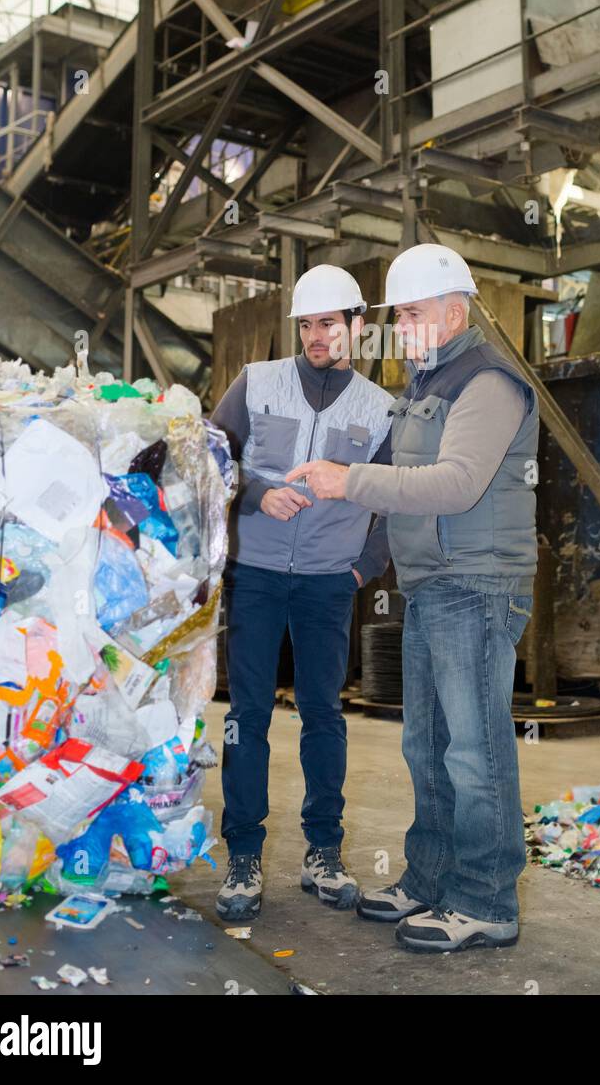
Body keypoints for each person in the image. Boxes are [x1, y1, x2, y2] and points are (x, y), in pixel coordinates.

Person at [286, 243, 538, 954]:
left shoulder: (487, 382)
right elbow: (387, 476)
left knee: (475, 750)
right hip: (431, 584)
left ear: (454, 311)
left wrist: (347, 482)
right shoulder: (426, 383)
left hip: (478, 583)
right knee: (426, 746)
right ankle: (431, 878)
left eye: (414, 312)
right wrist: (344, 560)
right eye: (397, 315)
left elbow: (454, 484)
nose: (402, 326)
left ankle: (486, 899)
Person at [211, 265, 394, 920]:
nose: (318, 337)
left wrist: (360, 569)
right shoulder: (257, 384)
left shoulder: (380, 409)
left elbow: (395, 500)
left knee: (324, 715)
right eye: (308, 325)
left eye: (330, 324)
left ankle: (324, 852)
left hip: (327, 582)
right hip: (255, 574)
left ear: (357, 328)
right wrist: (258, 493)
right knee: (246, 717)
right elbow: (210, 455)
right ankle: (242, 857)